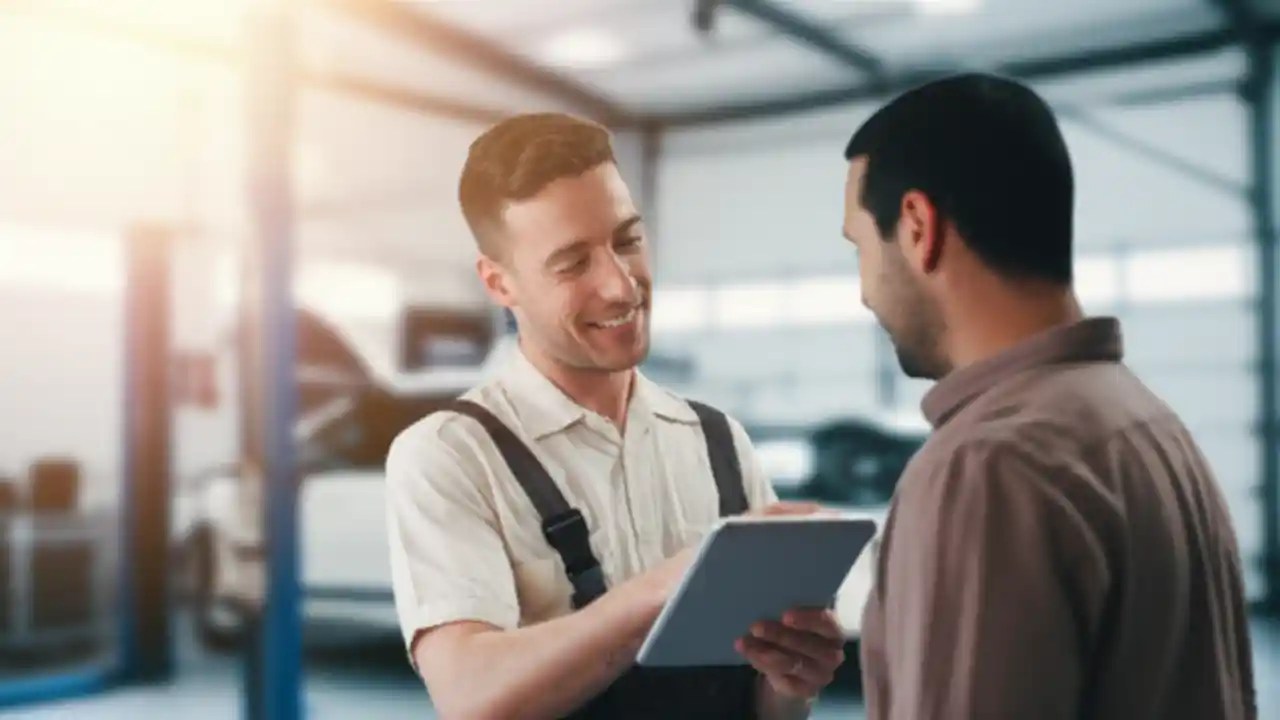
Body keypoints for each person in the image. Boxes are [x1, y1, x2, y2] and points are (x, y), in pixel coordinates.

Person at [385, 112, 845, 720]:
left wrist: (793, 680)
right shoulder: (450, 455)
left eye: (627, 240)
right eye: (573, 263)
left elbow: (768, 710)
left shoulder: (718, 442)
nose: (622, 286)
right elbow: (470, 697)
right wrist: (666, 588)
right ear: (499, 282)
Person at [841, 73, 1257, 719]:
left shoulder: (988, 464)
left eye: (861, 248)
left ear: (919, 227)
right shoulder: (1141, 421)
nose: (864, 291)